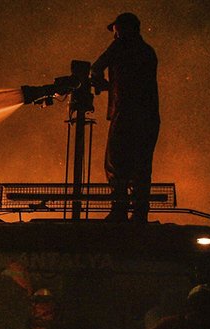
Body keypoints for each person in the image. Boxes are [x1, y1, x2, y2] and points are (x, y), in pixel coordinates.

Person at [92, 12, 160, 222]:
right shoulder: (148, 51)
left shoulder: (121, 46)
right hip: (149, 117)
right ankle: (140, 213)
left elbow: (96, 67)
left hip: (126, 114)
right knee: (141, 165)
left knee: (116, 162)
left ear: (122, 29)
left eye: (115, 30)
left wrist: (101, 83)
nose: (113, 34)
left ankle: (119, 210)